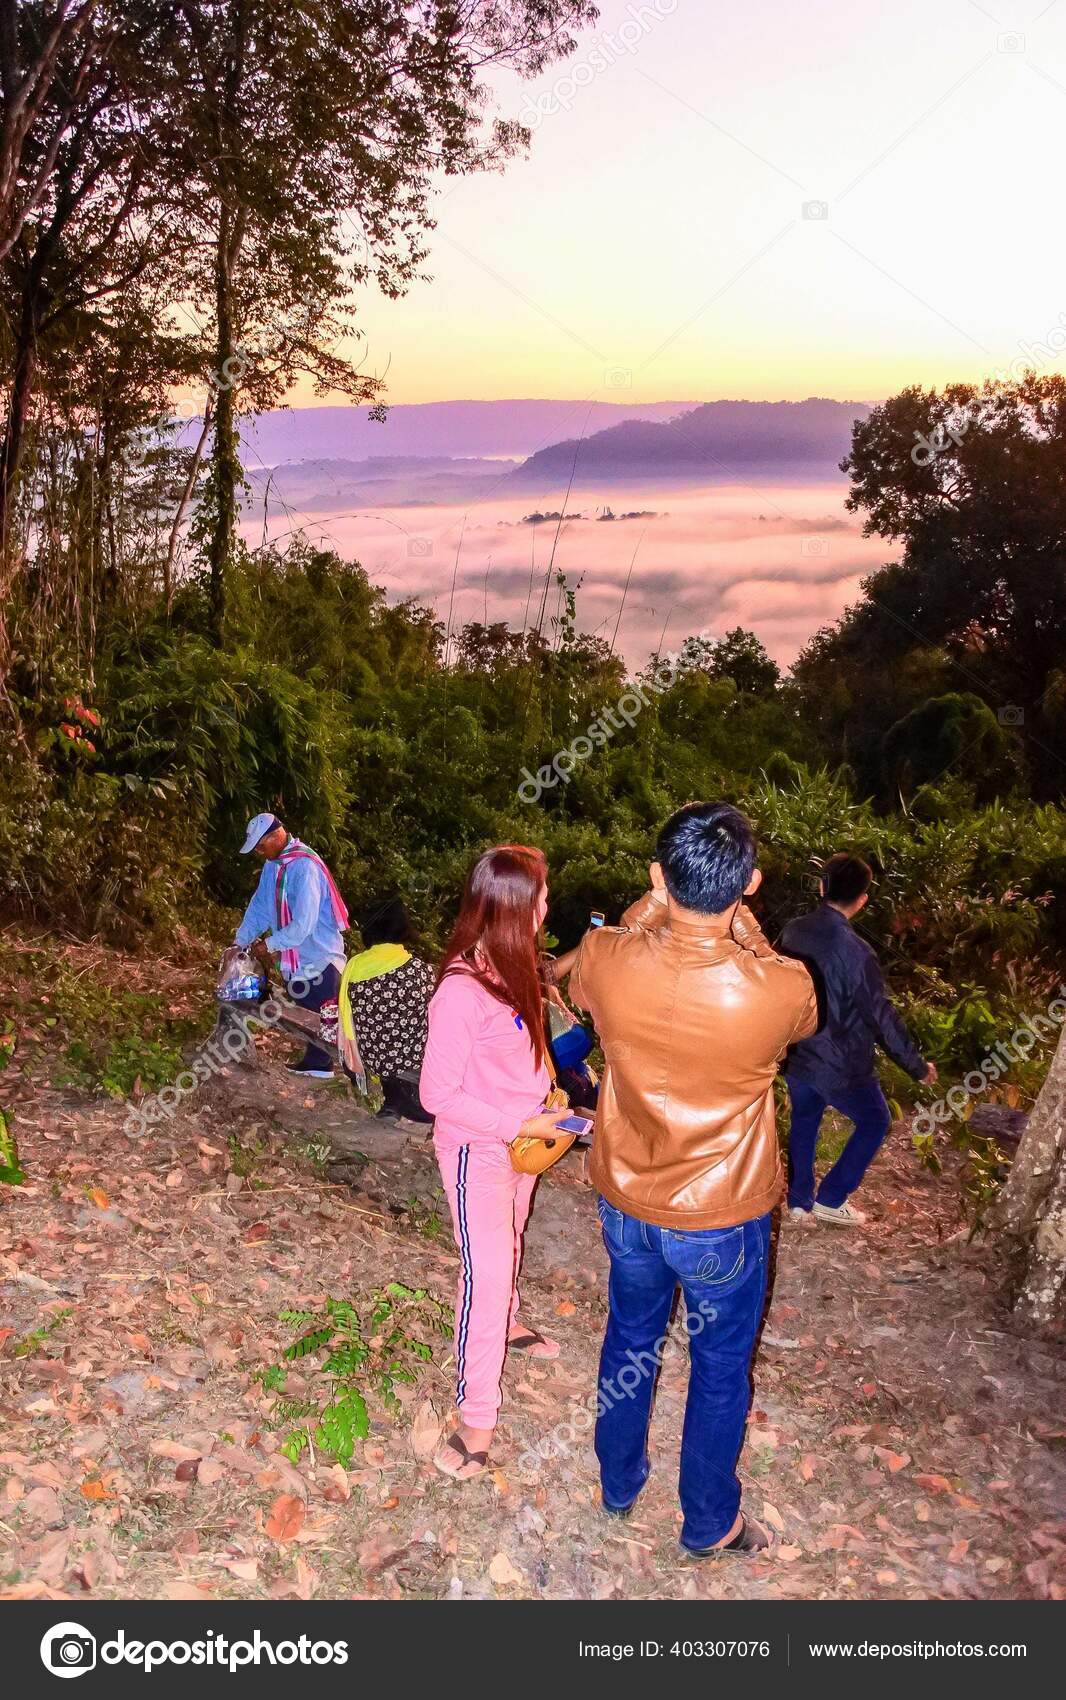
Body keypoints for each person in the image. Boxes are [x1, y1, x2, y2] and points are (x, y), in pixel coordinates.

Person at [568, 802, 817, 1558]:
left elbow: (601, 962)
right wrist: (735, 918)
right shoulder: (781, 988)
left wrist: (659, 904)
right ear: (749, 882)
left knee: (631, 1335)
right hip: (718, 1214)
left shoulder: (604, 959)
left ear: (655, 876)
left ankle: (617, 1481)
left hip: (627, 1200)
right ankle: (709, 1521)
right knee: (716, 1368)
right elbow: (789, 1003)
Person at [419, 845, 572, 1481]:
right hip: (476, 1152)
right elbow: (436, 1095)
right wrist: (518, 1122)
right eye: (539, 897)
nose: (546, 906)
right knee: (484, 1275)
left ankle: (507, 1325)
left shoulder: (517, 970)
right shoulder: (462, 988)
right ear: (512, 908)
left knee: (507, 1243)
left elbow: (523, 1057)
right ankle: (475, 1419)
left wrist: (549, 1097)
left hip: (522, 1147)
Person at [777, 851, 937, 1228]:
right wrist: (916, 1067)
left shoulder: (793, 930)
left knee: (805, 1119)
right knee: (876, 1120)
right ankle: (831, 1197)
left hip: (798, 1052)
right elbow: (880, 1016)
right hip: (840, 1063)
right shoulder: (858, 952)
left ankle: (799, 1203)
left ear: (821, 886)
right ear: (862, 900)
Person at [234, 813, 348, 1079]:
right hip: (296, 957)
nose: (260, 853)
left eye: (261, 846)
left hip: (320, 955)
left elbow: (304, 923)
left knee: (321, 1013)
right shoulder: (274, 865)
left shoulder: (305, 867)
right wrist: (240, 940)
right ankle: (318, 1061)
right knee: (308, 1008)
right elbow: (260, 907)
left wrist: (271, 943)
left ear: (276, 836)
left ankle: (326, 1063)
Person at [339, 898, 434, 1123]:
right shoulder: (420, 971)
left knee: (385, 1040)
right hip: (416, 1066)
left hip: (372, 1058)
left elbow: (346, 1021)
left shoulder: (353, 966)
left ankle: (393, 1102)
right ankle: (414, 1103)